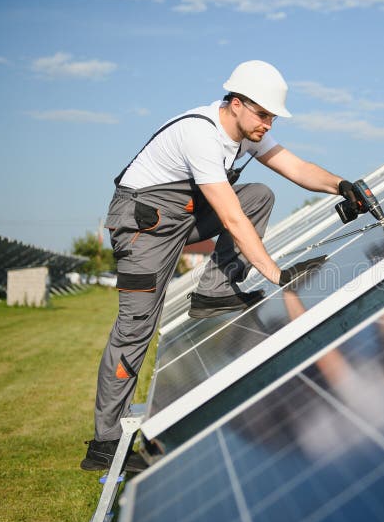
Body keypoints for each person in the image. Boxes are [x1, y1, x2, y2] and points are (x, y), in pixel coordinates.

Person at [81, 60, 359, 472]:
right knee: (135, 327)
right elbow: (230, 218)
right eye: (263, 114)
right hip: (142, 227)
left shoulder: (246, 135)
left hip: (182, 216)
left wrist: (342, 185)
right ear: (236, 103)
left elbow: (296, 169)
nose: (268, 124)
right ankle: (104, 444)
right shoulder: (202, 135)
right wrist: (278, 275)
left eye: (272, 117)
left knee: (259, 193)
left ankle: (215, 291)